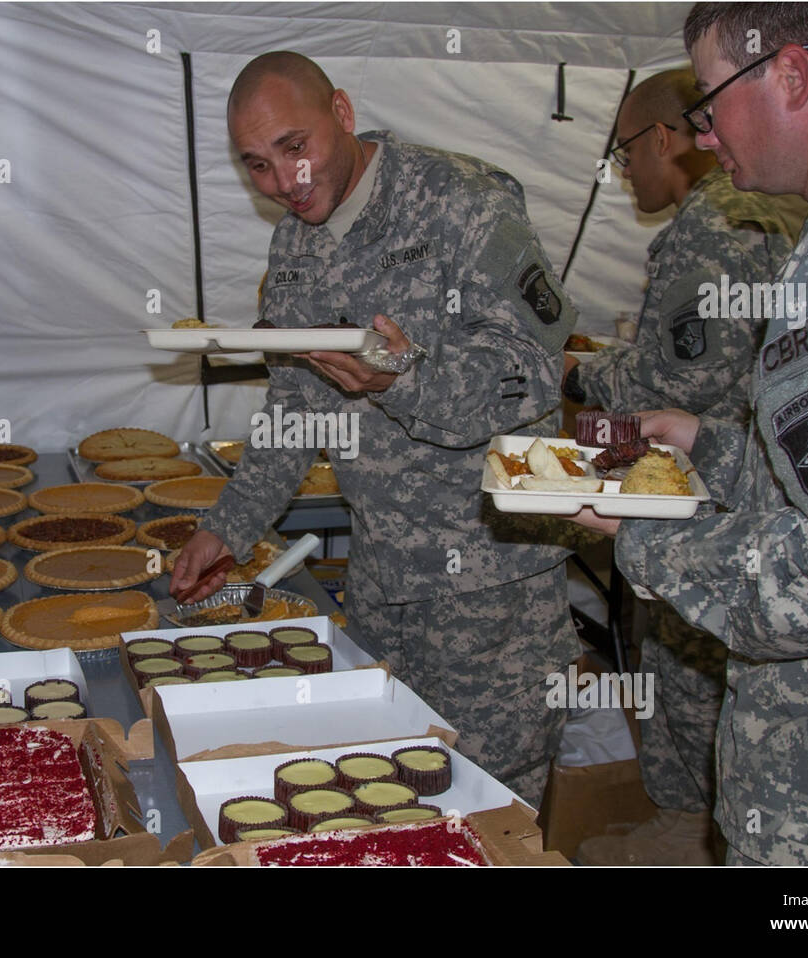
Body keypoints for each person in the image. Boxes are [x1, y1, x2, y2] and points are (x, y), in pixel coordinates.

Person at [571, 3, 808, 865]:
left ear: (790, 73)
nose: (703, 136)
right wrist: (709, 445)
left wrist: (647, 538)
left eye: (709, 101)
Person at [171, 51, 580, 805]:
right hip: (383, 576)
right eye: (256, 165)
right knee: (381, 792)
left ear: (345, 115)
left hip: (490, 588)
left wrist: (405, 379)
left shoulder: (464, 200)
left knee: (488, 806)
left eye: (296, 147)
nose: (284, 182)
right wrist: (226, 528)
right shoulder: (294, 245)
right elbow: (294, 408)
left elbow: (533, 372)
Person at [566, 68, 807, 865]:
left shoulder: (707, 229)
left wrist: (577, 373)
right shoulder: (785, 212)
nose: (626, 171)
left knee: (686, 660)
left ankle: (687, 832)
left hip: (709, 493)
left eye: (626, 152)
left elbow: (668, 385)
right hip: (778, 486)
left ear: (663, 138)